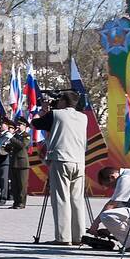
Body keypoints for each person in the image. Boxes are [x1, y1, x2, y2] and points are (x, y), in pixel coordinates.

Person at [32, 90, 88, 245]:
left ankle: (63, 238)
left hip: (61, 160)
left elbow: (35, 124)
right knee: (77, 200)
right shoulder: (83, 117)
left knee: (61, 199)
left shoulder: (55, 114)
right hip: (79, 161)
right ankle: (79, 237)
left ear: (63, 101)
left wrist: (43, 110)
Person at [83, 166, 130, 252]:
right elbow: (118, 206)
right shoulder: (129, 174)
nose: (111, 188)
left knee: (107, 216)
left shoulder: (127, 179)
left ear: (112, 177)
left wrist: (95, 225)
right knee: (115, 211)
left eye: (109, 185)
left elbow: (111, 204)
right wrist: (110, 229)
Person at [7, 116, 32, 209]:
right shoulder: (15, 136)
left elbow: (22, 145)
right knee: (15, 184)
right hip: (14, 162)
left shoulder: (27, 135)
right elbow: (10, 148)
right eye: (18, 124)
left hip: (22, 164)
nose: (18, 126)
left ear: (25, 126)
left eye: (20, 124)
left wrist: (11, 138)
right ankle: (16, 202)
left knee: (22, 185)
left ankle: (21, 203)